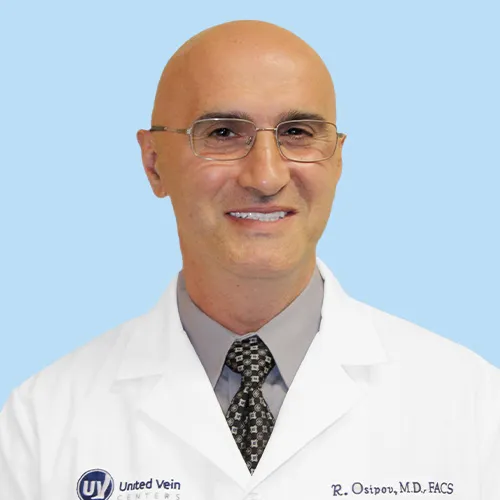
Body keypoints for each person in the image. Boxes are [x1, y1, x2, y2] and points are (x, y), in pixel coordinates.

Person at [1, 20, 499, 500]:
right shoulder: (41, 423)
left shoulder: (473, 405)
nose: (266, 176)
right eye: (222, 133)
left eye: (297, 132)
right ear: (153, 163)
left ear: (338, 159)